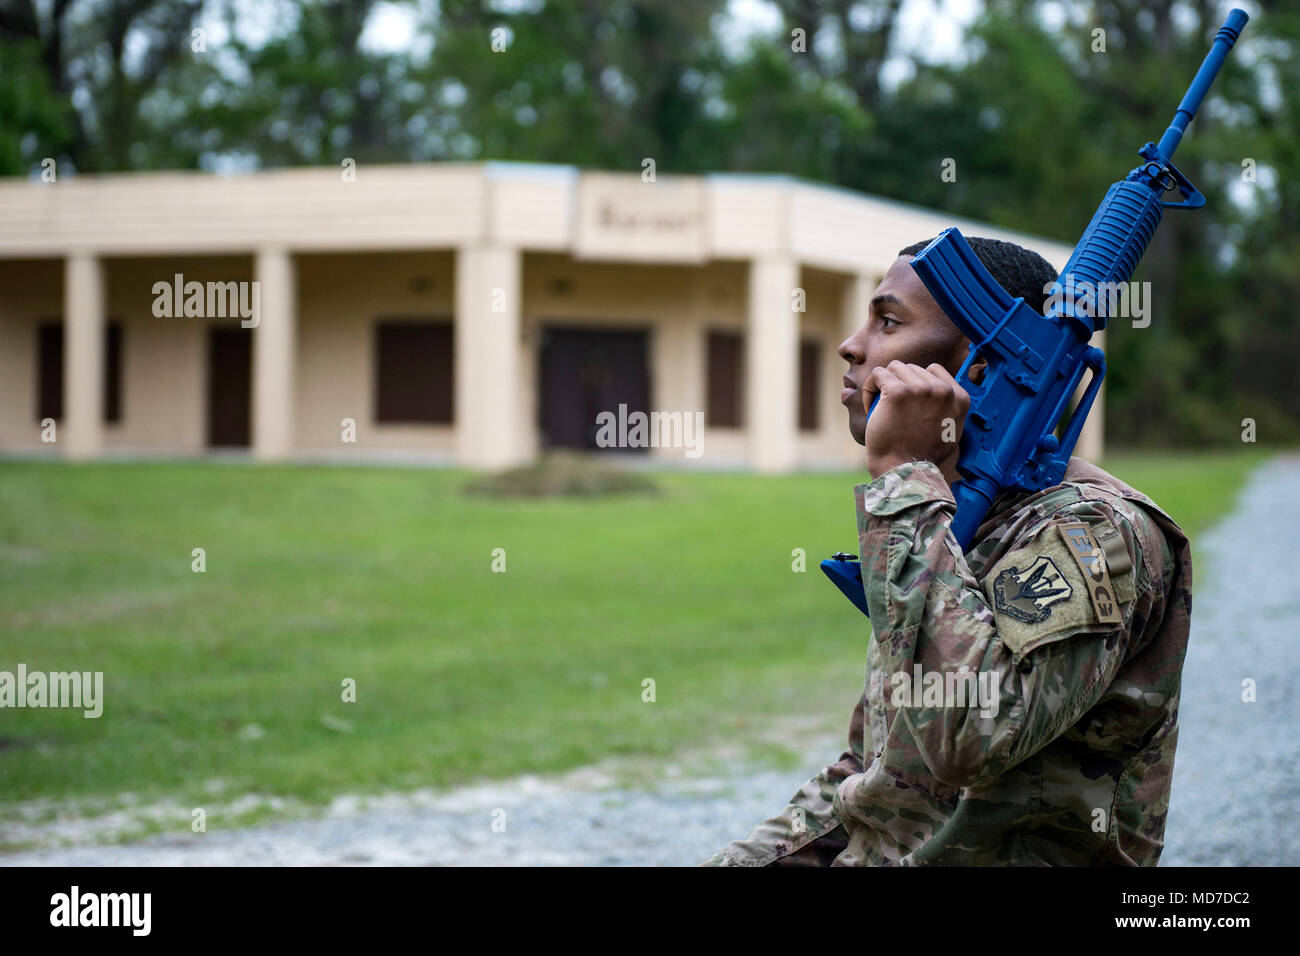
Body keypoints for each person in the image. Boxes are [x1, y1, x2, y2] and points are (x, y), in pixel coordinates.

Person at [702, 237, 1193, 866]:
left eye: (888, 321)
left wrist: (902, 475)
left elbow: (971, 734)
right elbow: (876, 775)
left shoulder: (1093, 532)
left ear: (978, 369)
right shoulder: (951, 518)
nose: (852, 345)